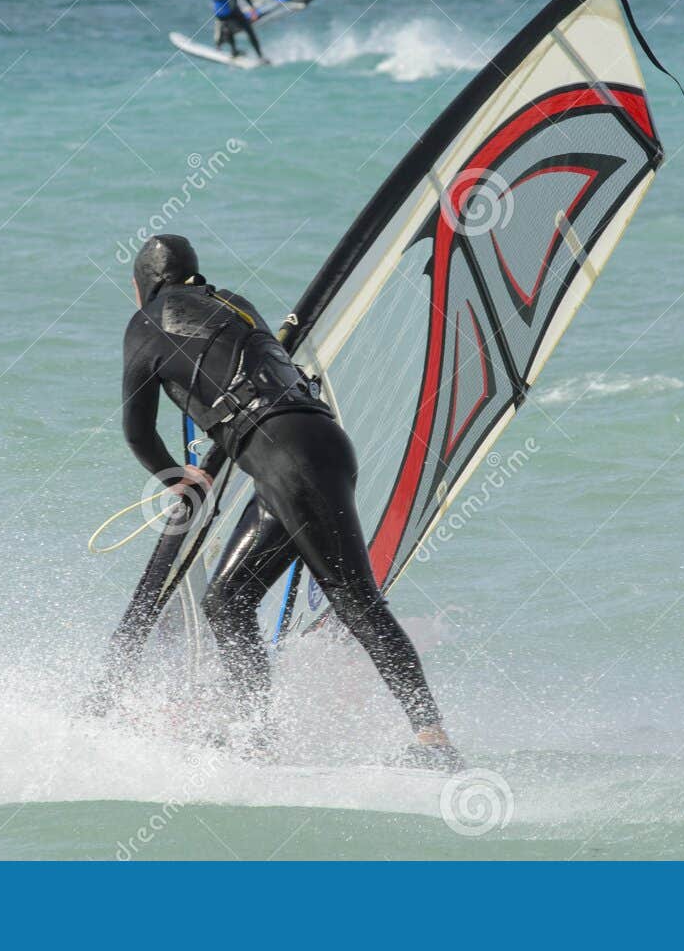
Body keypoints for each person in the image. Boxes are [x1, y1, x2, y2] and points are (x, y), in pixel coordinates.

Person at [119, 234, 463, 771]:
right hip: (310, 445)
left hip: (288, 457)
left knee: (354, 598)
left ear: (141, 286)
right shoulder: (235, 303)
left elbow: (137, 431)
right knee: (227, 602)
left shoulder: (145, 324)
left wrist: (174, 474)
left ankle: (433, 740)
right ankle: (257, 734)